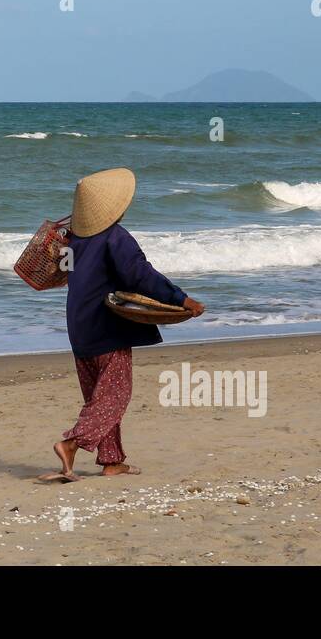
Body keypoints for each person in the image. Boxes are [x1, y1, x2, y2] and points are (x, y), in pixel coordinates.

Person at [44, 167, 204, 482]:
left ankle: (112, 461)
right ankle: (71, 444)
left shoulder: (74, 240)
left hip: (78, 325)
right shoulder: (115, 237)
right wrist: (181, 299)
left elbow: (64, 274)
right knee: (116, 394)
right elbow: (139, 275)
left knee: (99, 398)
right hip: (107, 326)